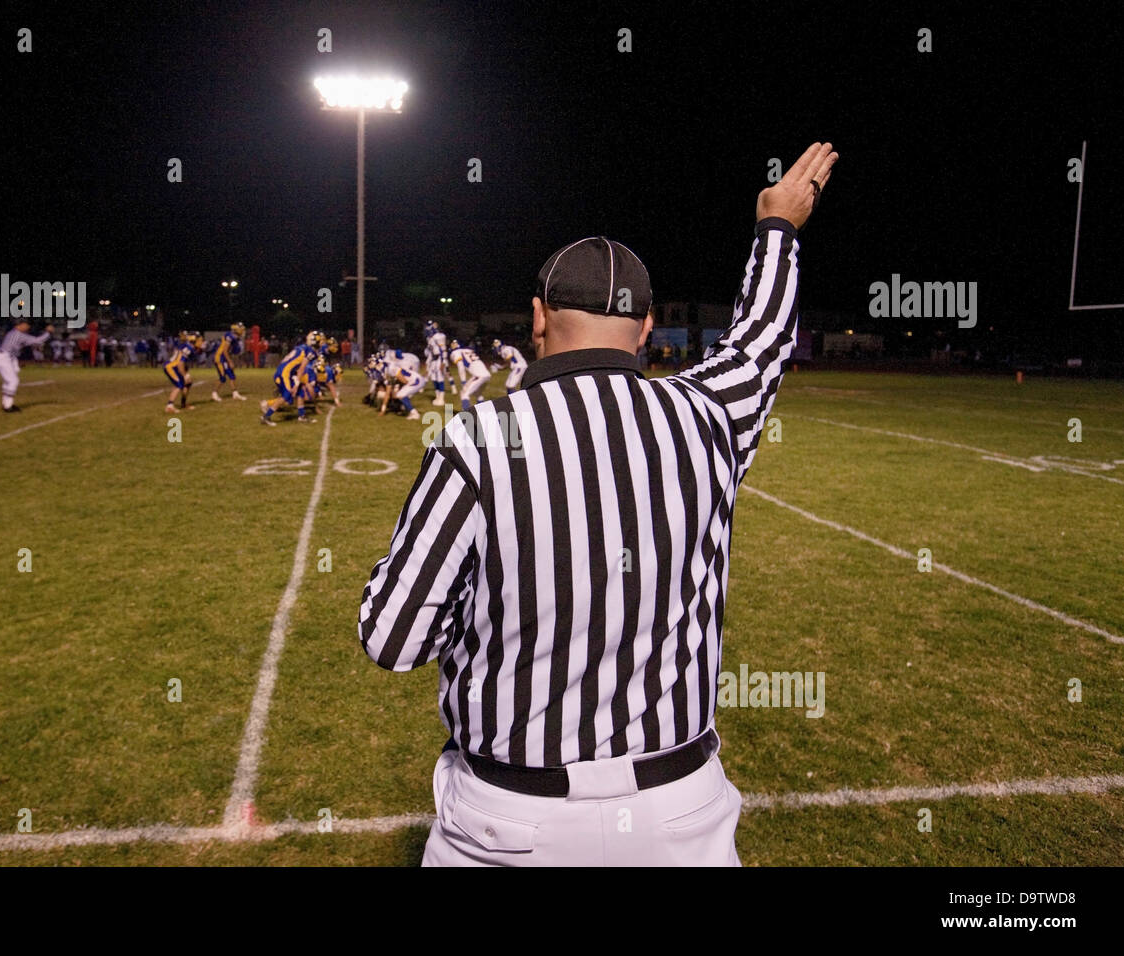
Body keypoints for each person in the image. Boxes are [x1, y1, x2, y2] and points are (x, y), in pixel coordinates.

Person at [359, 142, 838, 867]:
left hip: (512, 821)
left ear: (538, 318)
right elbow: (760, 344)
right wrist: (776, 228)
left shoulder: (481, 436)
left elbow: (393, 639)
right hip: (680, 813)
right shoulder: (707, 417)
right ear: (648, 328)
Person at [0, 319, 54, 412]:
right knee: (13, 381)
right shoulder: (18, 334)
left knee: (9, 380)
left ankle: (6, 403)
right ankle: (8, 406)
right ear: (19, 325)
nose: (28, 327)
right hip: (4, 357)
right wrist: (48, 332)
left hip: (8, 357)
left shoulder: (13, 333)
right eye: (26, 325)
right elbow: (37, 341)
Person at [261, 331, 319, 426]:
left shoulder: (302, 347)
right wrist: (296, 384)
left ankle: (302, 416)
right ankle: (266, 417)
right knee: (287, 396)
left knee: (300, 392)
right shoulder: (310, 351)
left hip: (286, 371)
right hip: (285, 373)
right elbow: (301, 369)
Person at [162, 332, 201, 413]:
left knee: (187, 384)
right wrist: (184, 375)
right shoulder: (188, 348)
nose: (200, 341)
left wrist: (186, 372)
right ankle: (169, 406)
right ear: (193, 340)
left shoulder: (188, 346)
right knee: (179, 384)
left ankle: (183, 404)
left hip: (176, 367)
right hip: (171, 367)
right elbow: (180, 363)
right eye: (198, 339)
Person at [447, 338, 489, 411]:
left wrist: (463, 381)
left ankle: (468, 419)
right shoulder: (468, 350)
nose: (452, 345)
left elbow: (461, 367)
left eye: (454, 344)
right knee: (477, 394)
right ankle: (485, 414)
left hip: (478, 376)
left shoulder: (455, 352)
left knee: (464, 394)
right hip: (486, 374)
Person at [211, 323, 248, 402]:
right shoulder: (230, 336)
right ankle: (214, 393)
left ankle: (235, 393)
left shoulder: (235, 338)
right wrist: (230, 361)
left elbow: (232, 351)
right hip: (220, 358)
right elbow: (225, 351)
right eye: (242, 329)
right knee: (222, 378)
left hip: (224, 358)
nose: (243, 331)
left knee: (232, 376)